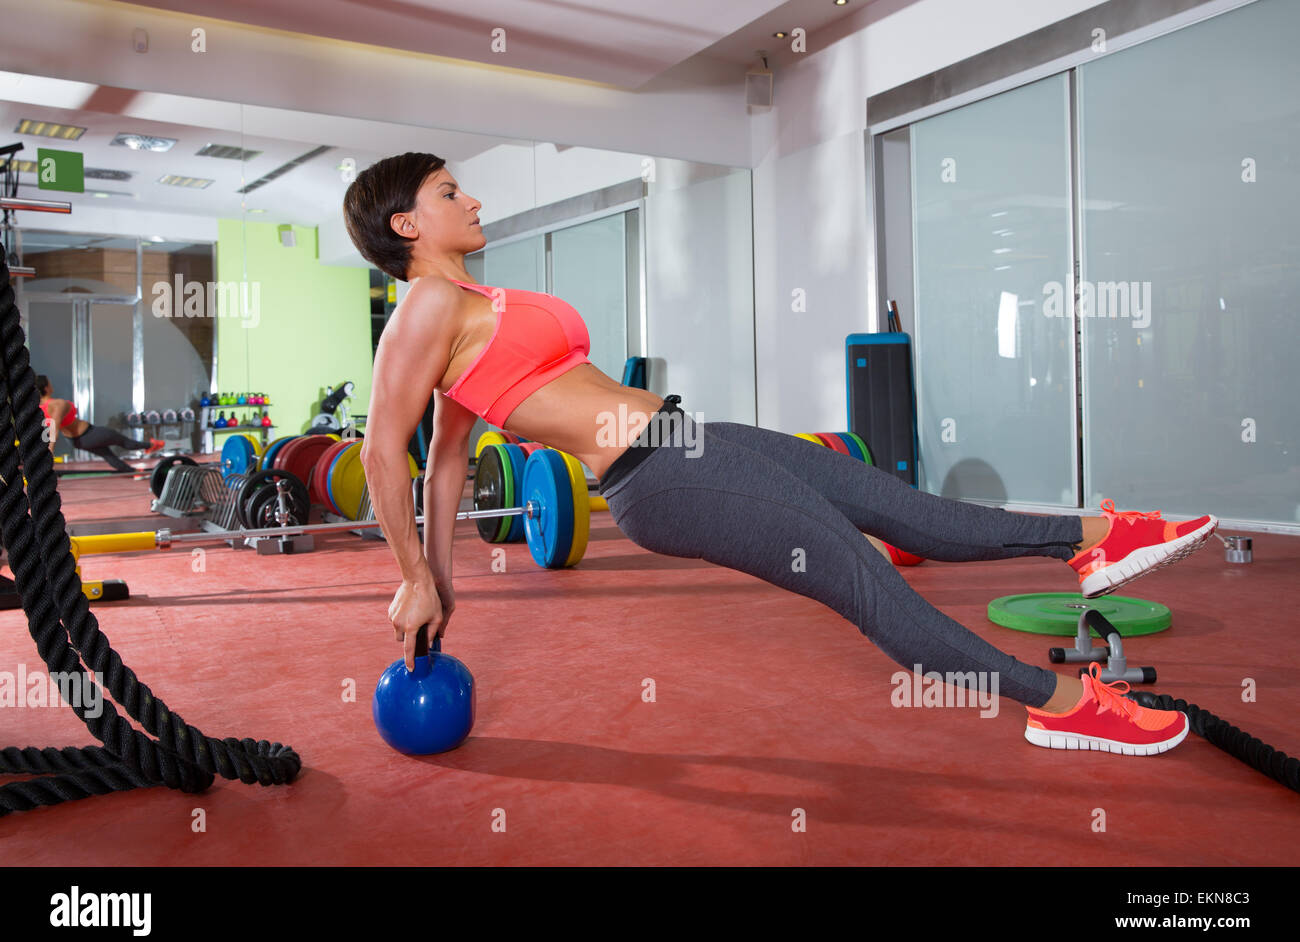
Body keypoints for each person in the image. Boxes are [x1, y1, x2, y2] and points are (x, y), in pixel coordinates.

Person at [344, 152, 1218, 758]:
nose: (474, 203)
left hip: (688, 438)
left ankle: (1091, 538)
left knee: (905, 510)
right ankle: (1067, 709)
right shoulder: (423, 309)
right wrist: (414, 574)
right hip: (657, 478)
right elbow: (391, 455)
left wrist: (444, 582)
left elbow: (451, 460)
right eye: (451, 193)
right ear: (405, 221)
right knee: (868, 583)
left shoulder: (468, 299)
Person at [37, 375, 163, 473]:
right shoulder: (58, 404)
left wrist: (46, 454)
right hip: (89, 435)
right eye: (49, 382)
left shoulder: (40, 408)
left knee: (108, 455)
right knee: (123, 441)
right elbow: (54, 430)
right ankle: (151, 445)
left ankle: (133, 472)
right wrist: (49, 454)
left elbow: (48, 432)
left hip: (77, 441)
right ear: (46, 387)